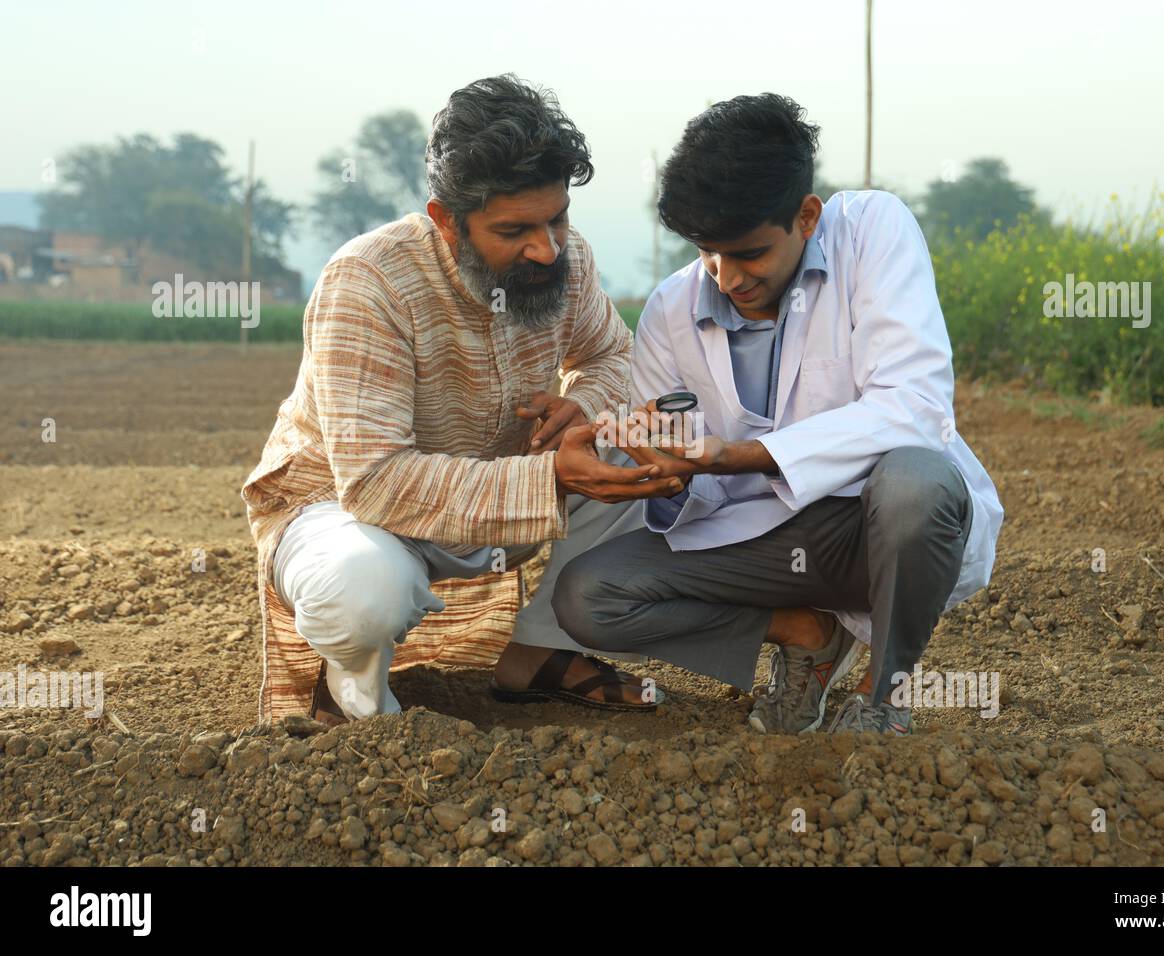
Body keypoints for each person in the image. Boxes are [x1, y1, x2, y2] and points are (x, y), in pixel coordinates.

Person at [552, 93, 1004, 735]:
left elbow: (915, 407)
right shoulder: (669, 311)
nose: (727, 276)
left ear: (808, 216)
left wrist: (734, 455)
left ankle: (884, 695)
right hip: (764, 541)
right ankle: (809, 636)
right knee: (588, 596)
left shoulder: (873, 230)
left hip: (873, 529)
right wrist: (665, 472)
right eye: (709, 252)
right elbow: (695, 497)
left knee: (917, 487)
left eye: (749, 253)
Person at [241, 75, 679, 724]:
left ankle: (541, 651)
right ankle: (354, 694)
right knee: (364, 592)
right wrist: (547, 475)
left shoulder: (568, 259)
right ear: (445, 221)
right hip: (350, 514)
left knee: (652, 454)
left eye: (557, 217)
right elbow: (375, 483)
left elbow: (612, 357)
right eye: (515, 230)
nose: (546, 247)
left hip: (495, 505)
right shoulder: (369, 281)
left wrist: (583, 406)